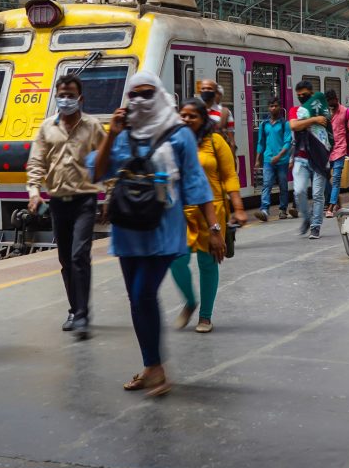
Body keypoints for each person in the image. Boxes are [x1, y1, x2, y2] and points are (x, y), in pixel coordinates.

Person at [91, 71, 219, 397]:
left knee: (143, 294)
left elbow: (196, 184)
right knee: (136, 298)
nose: (140, 101)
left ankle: (158, 371)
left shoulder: (178, 134)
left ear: (160, 95)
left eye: (147, 94)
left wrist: (214, 229)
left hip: (164, 230)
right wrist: (111, 133)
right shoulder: (122, 134)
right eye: (134, 95)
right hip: (128, 229)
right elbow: (96, 171)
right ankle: (151, 366)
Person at [27, 74, 105, 339]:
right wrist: (34, 191)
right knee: (65, 260)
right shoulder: (46, 128)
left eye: (71, 95)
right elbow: (36, 162)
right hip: (58, 202)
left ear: (80, 98)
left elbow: (107, 161)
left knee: (79, 256)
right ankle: (75, 309)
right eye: (62, 94)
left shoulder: (94, 127)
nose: (66, 99)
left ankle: (82, 314)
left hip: (85, 200)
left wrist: (113, 191)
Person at [171, 98, 247, 334]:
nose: (186, 119)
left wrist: (238, 207)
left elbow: (229, 176)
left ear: (203, 118)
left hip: (211, 209)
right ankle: (190, 301)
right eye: (182, 115)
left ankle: (205, 316)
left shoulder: (215, 142)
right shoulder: (174, 142)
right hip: (181, 211)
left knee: (208, 262)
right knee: (176, 260)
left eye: (192, 115)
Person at [289, 81, 333, 239]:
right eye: (298, 95)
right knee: (299, 191)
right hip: (301, 158)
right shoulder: (296, 110)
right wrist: (314, 120)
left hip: (319, 158)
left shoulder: (321, 109)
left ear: (311, 93)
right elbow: (294, 125)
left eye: (304, 94)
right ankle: (306, 217)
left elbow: (328, 126)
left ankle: (315, 226)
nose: (301, 97)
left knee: (317, 194)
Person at [254, 102, 292, 220]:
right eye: (271, 106)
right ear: (268, 108)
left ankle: (283, 209)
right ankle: (264, 210)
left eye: (276, 105)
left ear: (280, 107)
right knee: (266, 184)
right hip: (268, 159)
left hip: (282, 161)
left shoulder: (285, 124)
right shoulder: (264, 124)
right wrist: (257, 160)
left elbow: (287, 142)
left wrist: (279, 156)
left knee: (283, 185)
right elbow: (260, 143)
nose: (273, 108)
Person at [324, 96, 349, 219]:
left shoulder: (345, 112)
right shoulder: (325, 113)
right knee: (325, 179)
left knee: (336, 180)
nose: (330, 104)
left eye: (331, 101)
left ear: (336, 99)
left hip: (340, 149)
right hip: (327, 151)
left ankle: (330, 207)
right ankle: (336, 200)